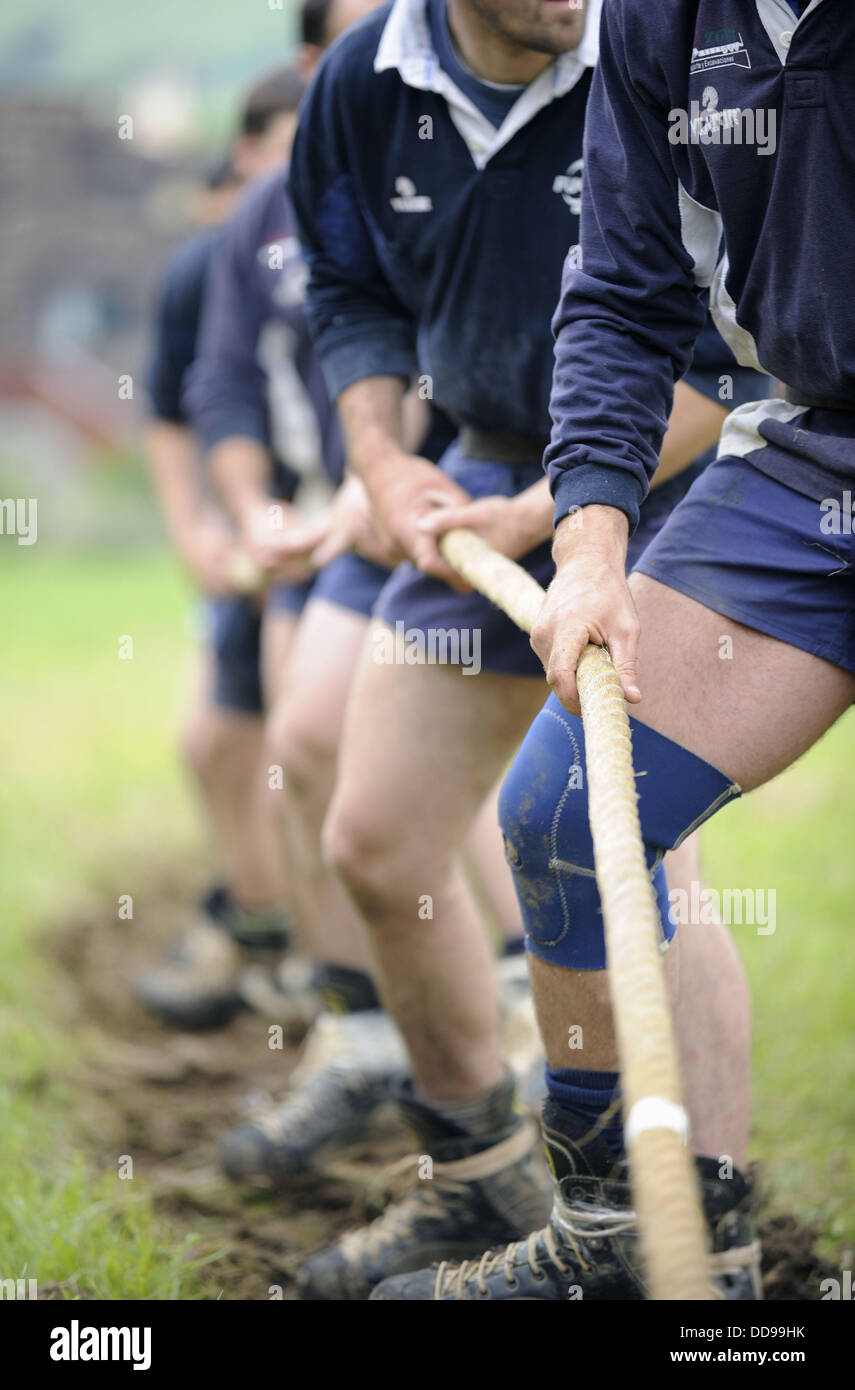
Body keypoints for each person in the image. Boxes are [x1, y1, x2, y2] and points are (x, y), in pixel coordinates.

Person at [367, 0, 852, 1300]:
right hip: (808, 449)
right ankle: (620, 1237)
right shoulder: (658, 17)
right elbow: (623, 295)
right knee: (566, 805)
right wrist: (586, 542)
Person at [139, 65, 311, 1029]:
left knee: (315, 756)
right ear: (246, 155)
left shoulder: (369, 237)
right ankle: (257, 930)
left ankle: (337, 972)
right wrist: (198, 528)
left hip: (346, 530)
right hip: (258, 533)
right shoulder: (209, 266)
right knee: (217, 744)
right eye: (283, 150)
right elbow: (175, 411)